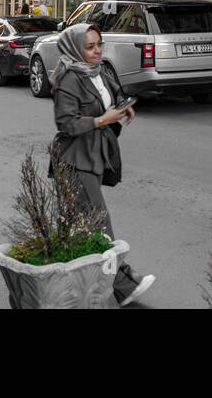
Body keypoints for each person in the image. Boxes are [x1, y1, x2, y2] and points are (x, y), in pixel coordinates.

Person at [51, 23, 156, 306]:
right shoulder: (68, 80)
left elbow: (113, 93)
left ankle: (66, 283)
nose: (97, 51)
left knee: (78, 226)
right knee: (99, 223)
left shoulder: (100, 71)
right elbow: (66, 123)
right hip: (74, 160)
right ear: (74, 49)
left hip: (95, 157)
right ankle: (122, 285)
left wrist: (123, 105)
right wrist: (102, 120)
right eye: (90, 47)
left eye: (99, 44)